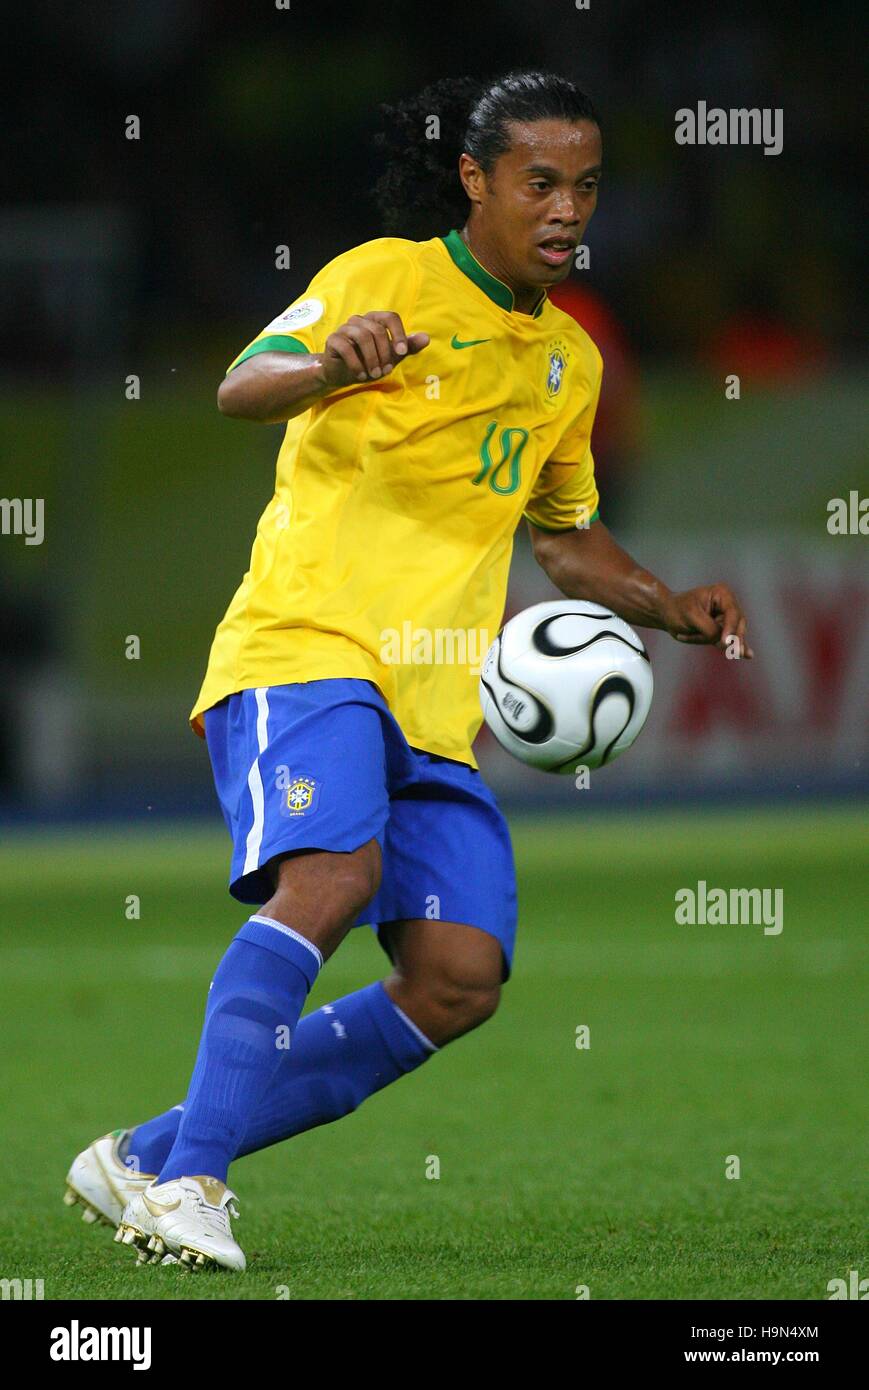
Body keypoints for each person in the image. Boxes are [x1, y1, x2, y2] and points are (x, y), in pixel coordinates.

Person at [64, 71, 751, 1272]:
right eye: (539, 183)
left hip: (432, 706)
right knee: (333, 874)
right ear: (476, 181)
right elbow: (242, 386)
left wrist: (664, 606)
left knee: (455, 976)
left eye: (585, 187)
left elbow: (562, 536)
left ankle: (154, 1151)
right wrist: (331, 365)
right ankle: (193, 1182)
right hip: (306, 646)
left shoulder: (568, 365)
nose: (565, 211)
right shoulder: (383, 273)